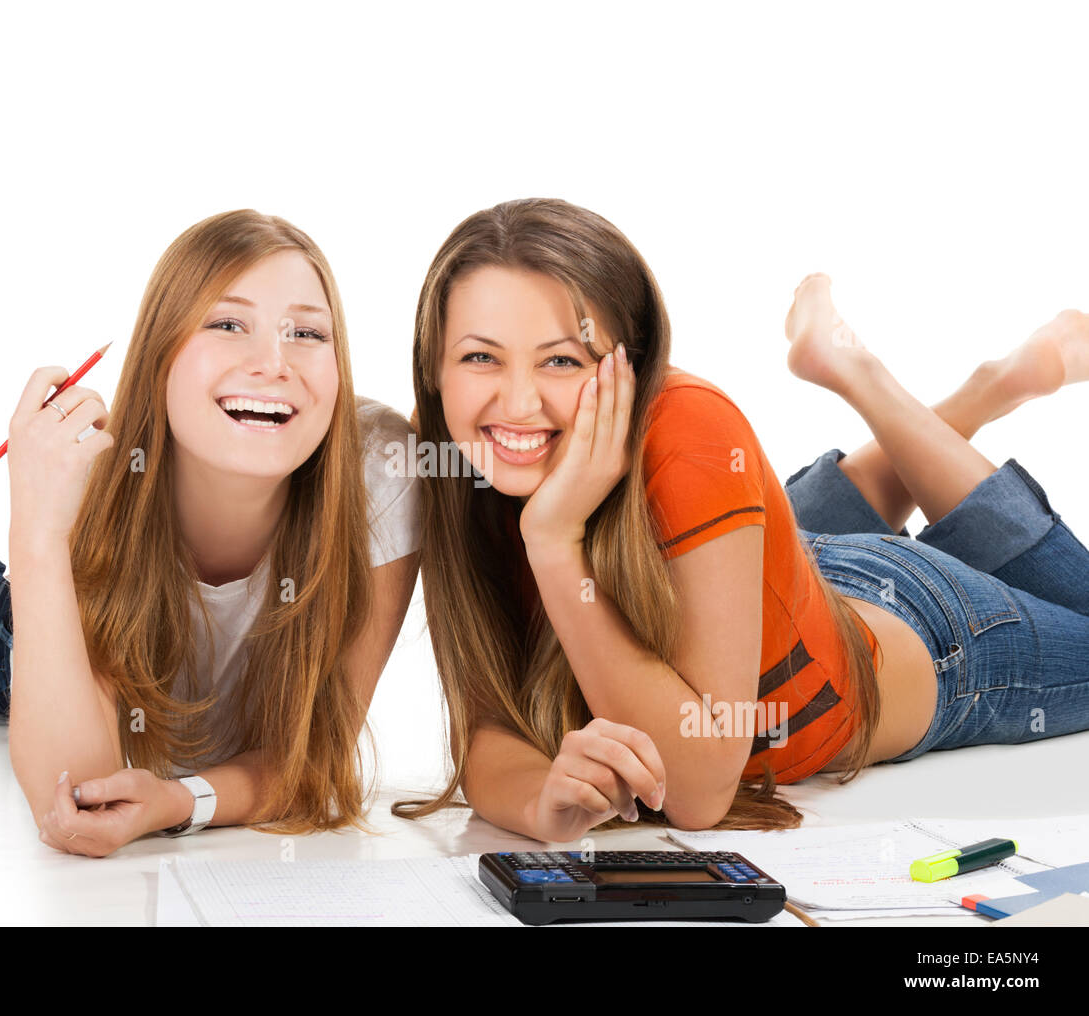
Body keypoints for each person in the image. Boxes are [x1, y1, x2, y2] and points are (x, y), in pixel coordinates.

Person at [392, 196, 1089, 839]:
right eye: (480, 356)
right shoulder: (448, 454)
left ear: (633, 371)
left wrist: (552, 541)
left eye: (563, 361)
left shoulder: (691, 429)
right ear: (436, 365)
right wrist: (541, 797)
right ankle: (957, 396)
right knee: (731, 514)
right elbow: (485, 727)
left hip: (919, 624)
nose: (515, 404)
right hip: (763, 571)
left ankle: (877, 376)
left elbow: (697, 791)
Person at [0, 210, 420, 855]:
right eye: (228, 324)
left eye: (307, 331)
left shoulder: (383, 467)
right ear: (160, 355)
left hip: (173, 744)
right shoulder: (104, 484)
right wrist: (36, 529)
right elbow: (82, 794)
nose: (273, 363)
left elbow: (318, 758)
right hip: (35, 653)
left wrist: (179, 799)